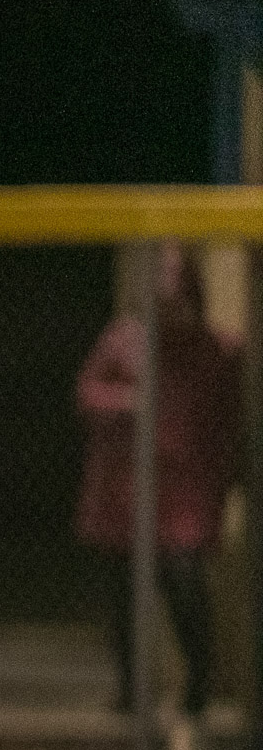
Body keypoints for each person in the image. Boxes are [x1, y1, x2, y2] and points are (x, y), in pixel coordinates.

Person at [75, 243, 240, 718]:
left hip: (185, 491)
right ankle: (130, 689)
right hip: (128, 489)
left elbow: (229, 424)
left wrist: (224, 477)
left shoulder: (217, 352)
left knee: (185, 583)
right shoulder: (125, 341)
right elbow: (88, 392)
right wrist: (128, 403)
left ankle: (198, 688)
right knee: (126, 591)